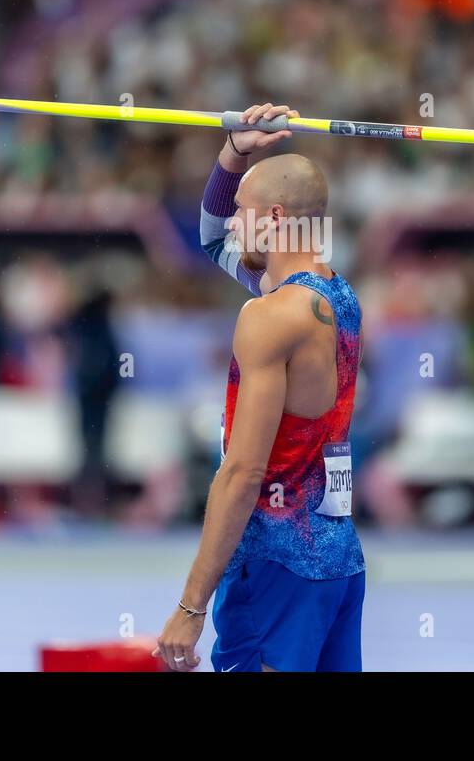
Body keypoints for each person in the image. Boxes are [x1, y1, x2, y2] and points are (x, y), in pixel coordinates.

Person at [155, 102, 366, 672]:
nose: (231, 222)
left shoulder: (270, 317)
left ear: (273, 217)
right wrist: (234, 154)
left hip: (273, 566)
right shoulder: (335, 297)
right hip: (337, 563)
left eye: (241, 211)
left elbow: (244, 471)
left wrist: (190, 606)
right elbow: (210, 239)